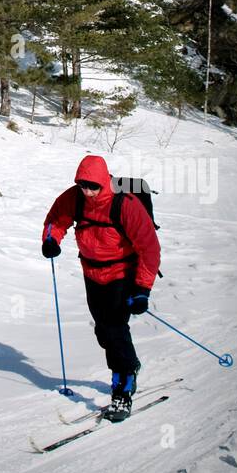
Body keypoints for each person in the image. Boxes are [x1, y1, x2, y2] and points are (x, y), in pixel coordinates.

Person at [41, 153, 161, 419]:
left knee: (114, 328)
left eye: (92, 186)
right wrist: (51, 240)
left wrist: (142, 289)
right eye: (83, 186)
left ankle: (123, 385)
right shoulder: (74, 198)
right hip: (92, 273)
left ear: (103, 182)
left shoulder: (125, 204)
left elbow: (149, 248)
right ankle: (129, 364)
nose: (88, 192)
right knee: (103, 331)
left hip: (122, 273)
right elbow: (56, 219)